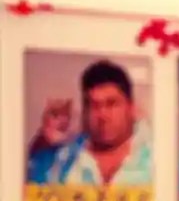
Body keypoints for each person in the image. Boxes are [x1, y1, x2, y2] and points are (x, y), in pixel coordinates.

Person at [27, 59, 153, 187]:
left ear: (130, 107)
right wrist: (43, 139)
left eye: (112, 104)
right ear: (85, 110)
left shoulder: (160, 154)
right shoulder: (61, 160)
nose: (102, 115)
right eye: (94, 105)